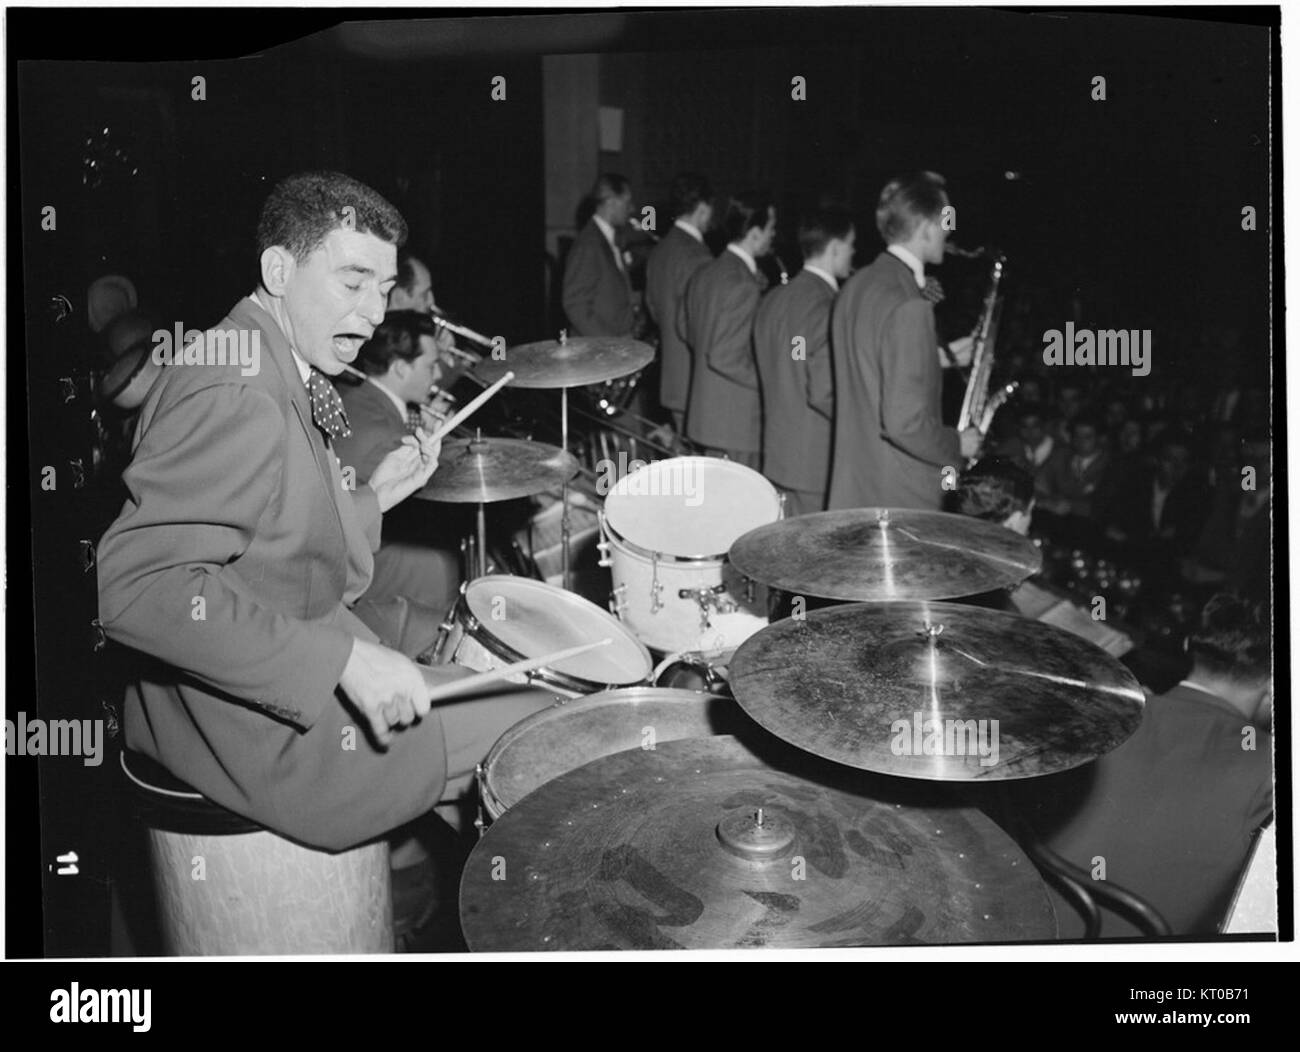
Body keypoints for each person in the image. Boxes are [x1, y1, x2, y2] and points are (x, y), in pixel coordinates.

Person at [96, 171, 550, 854]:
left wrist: (378, 496)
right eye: (352, 280)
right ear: (278, 269)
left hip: (255, 689)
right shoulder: (235, 389)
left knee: (489, 687)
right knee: (544, 720)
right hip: (254, 733)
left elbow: (276, 539)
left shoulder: (263, 353)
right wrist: (341, 663)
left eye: (385, 287)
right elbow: (134, 588)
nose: (374, 311)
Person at [1027, 593, 1273, 937]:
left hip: (1019, 919)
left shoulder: (1106, 710)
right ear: (1274, 685)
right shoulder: (1270, 771)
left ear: (1189, 645)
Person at [827, 172, 981, 510]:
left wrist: (934, 357)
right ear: (926, 226)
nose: (949, 230)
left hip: (856, 488)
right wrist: (958, 443)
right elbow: (905, 425)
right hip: (900, 498)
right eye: (945, 221)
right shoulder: (909, 304)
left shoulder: (856, 286)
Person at [334, 310, 463, 656]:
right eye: (431, 365)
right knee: (441, 559)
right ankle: (432, 655)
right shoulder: (384, 434)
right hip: (347, 561)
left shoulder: (360, 399)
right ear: (401, 368)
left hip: (351, 532)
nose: (437, 375)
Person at [753, 206, 855, 515]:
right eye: (851, 244)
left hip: (776, 455)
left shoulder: (771, 300)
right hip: (816, 462)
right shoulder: (829, 306)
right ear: (835, 247)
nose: (854, 252)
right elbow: (824, 392)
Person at [681, 192, 777, 469]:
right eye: (771, 229)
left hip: (706, 415)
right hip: (736, 423)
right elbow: (723, 356)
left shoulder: (705, 272)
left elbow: (684, 327)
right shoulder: (744, 284)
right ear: (755, 233)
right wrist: (768, 379)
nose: (774, 235)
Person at [645, 172, 713, 435]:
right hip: (695, 382)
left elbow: (653, 308)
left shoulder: (659, 251)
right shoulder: (698, 256)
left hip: (671, 378)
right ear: (703, 209)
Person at [562, 173, 636, 338]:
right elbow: (575, 305)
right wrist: (610, 344)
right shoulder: (588, 244)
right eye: (627, 202)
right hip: (600, 351)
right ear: (611, 201)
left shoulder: (610, 240)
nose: (632, 209)